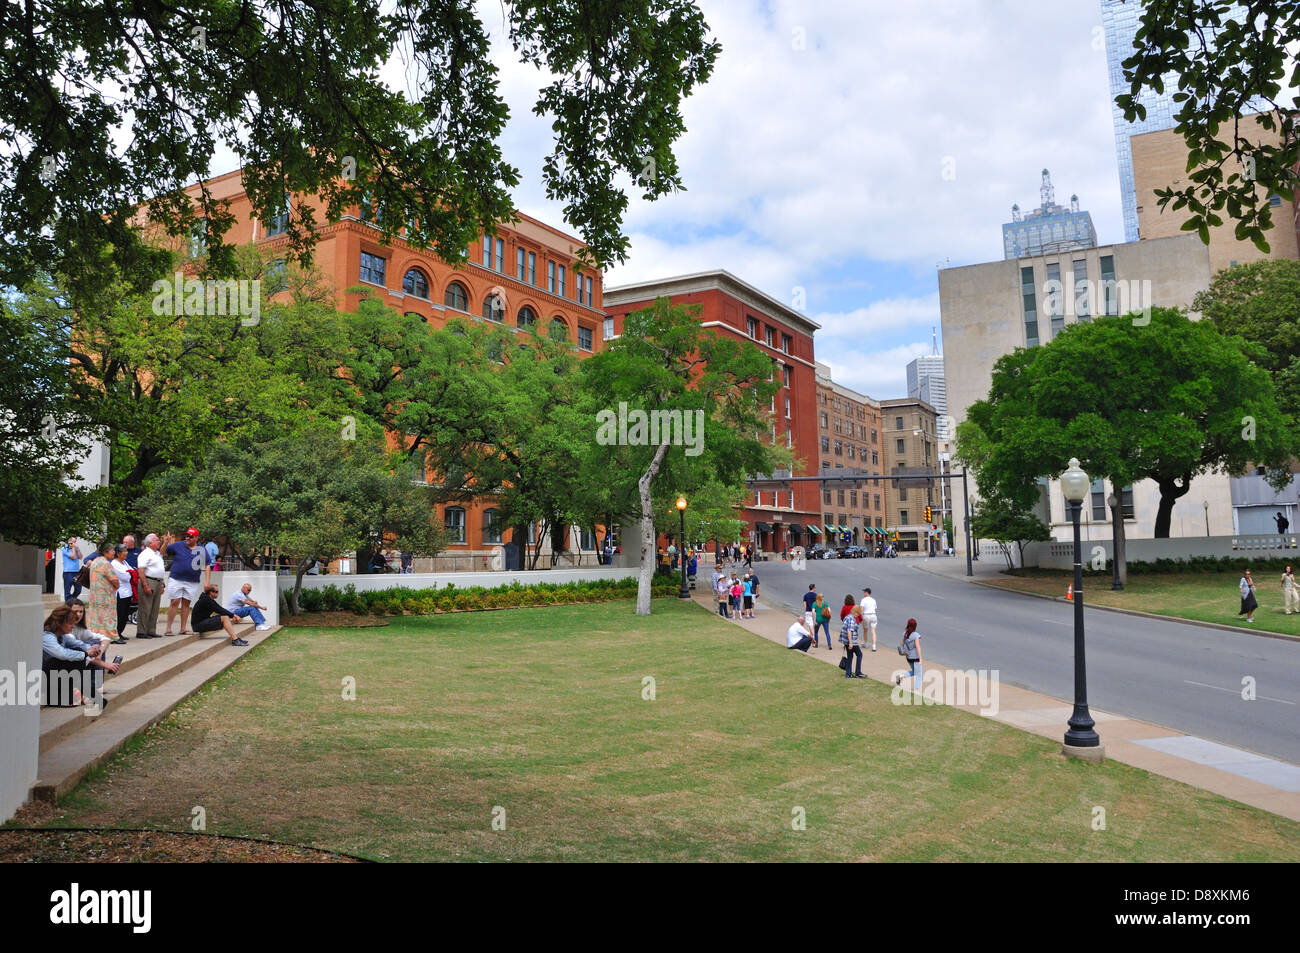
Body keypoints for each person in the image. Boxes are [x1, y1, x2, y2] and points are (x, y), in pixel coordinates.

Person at [42, 605, 119, 707]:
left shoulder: (62, 635)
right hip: (44, 675)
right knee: (77, 656)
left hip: (56, 674)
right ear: (59, 623)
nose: (73, 626)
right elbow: (61, 654)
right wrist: (86, 653)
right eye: (70, 623)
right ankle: (60, 698)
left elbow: (79, 644)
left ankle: (86, 694)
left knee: (79, 652)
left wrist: (91, 649)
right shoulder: (47, 636)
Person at [165, 528, 210, 636]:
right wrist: (165, 543)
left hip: (192, 581)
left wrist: (207, 581)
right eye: (187, 536)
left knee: (186, 604)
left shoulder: (201, 549)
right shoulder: (178, 545)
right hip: (176, 578)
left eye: (191, 536)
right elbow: (164, 553)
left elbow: (207, 564)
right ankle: (168, 628)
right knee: (174, 602)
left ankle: (183, 628)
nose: (188, 538)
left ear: (196, 538)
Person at [84, 541, 119, 640]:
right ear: (105, 552)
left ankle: (96, 634)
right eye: (112, 550)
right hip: (105, 596)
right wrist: (117, 586)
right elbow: (114, 579)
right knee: (107, 616)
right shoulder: (106, 563)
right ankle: (109, 636)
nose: (114, 553)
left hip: (94, 595)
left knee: (96, 616)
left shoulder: (95, 561)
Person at [135, 533, 166, 639]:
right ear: (150, 543)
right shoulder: (145, 554)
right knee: (145, 607)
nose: (159, 541)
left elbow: (162, 554)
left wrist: (162, 584)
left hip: (158, 581)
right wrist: (145, 585)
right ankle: (142, 631)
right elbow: (141, 570)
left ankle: (151, 630)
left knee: (155, 608)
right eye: (156, 540)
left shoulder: (156, 553)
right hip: (149, 580)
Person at [108, 543, 135, 638]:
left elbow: (132, 571)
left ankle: (120, 633)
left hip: (128, 592)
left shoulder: (124, 563)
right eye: (124, 551)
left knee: (125, 615)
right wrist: (131, 574)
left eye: (126, 550)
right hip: (120, 593)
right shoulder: (115, 564)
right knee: (120, 614)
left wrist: (131, 574)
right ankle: (116, 634)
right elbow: (125, 577)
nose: (126, 553)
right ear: (118, 553)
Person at [894, 618, 923, 691]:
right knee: (919, 673)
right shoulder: (916, 635)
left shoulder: (905, 634)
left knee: (915, 671)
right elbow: (918, 646)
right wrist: (920, 658)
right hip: (915, 657)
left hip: (908, 657)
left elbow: (902, 643)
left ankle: (901, 676)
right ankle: (917, 689)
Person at [839, 595, 865, 679]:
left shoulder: (847, 617)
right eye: (858, 613)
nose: (858, 615)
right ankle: (858, 672)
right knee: (859, 654)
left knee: (850, 656)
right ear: (856, 612)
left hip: (845, 640)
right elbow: (849, 630)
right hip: (851, 641)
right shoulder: (851, 619)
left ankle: (848, 673)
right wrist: (850, 642)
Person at [861, 587, 879, 652]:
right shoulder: (873, 600)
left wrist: (860, 616)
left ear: (866, 593)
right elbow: (875, 608)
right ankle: (874, 645)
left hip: (866, 615)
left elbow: (862, 609)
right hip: (873, 615)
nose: (863, 593)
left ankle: (865, 643)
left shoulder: (863, 600)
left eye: (864, 592)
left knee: (865, 630)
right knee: (873, 631)